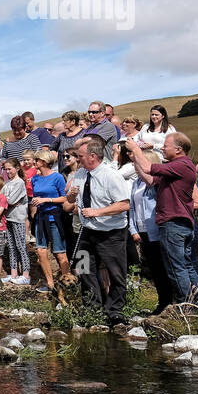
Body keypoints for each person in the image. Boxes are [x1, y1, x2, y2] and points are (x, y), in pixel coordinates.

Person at [126, 133, 198, 309]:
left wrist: (136, 149)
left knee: (176, 268)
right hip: (178, 224)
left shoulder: (181, 165)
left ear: (178, 149)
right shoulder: (176, 168)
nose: (162, 148)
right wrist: (135, 159)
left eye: (166, 145)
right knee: (186, 266)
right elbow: (150, 179)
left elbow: (148, 168)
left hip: (174, 224)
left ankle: (187, 307)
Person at [65, 136, 132, 325]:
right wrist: (70, 197)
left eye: (80, 156)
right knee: (84, 268)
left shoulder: (111, 175)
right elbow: (70, 202)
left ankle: (115, 310)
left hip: (111, 232)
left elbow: (124, 204)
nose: (77, 159)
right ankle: (93, 308)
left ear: (93, 156)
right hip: (87, 231)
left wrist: (98, 212)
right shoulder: (80, 174)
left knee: (115, 272)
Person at [125, 151, 171, 315]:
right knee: (155, 268)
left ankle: (171, 301)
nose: (134, 166)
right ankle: (162, 301)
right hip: (142, 231)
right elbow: (131, 207)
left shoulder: (157, 181)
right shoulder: (137, 182)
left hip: (157, 229)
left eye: (136, 162)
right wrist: (133, 229)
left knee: (165, 266)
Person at [30, 150, 71, 294]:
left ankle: (66, 283)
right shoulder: (35, 178)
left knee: (59, 253)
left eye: (37, 160)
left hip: (55, 217)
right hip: (40, 218)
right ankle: (50, 283)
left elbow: (65, 198)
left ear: (45, 162)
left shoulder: (57, 177)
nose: (34, 162)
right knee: (41, 251)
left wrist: (47, 199)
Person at [0, 158, 31, 285]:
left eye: (9, 169)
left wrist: (6, 201)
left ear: (17, 168)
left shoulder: (19, 183)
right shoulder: (7, 183)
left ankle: (26, 275)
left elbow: (10, 200)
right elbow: (1, 199)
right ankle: (14, 273)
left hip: (18, 218)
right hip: (8, 217)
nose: (7, 171)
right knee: (11, 247)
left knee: (21, 246)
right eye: (5, 169)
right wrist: (6, 201)